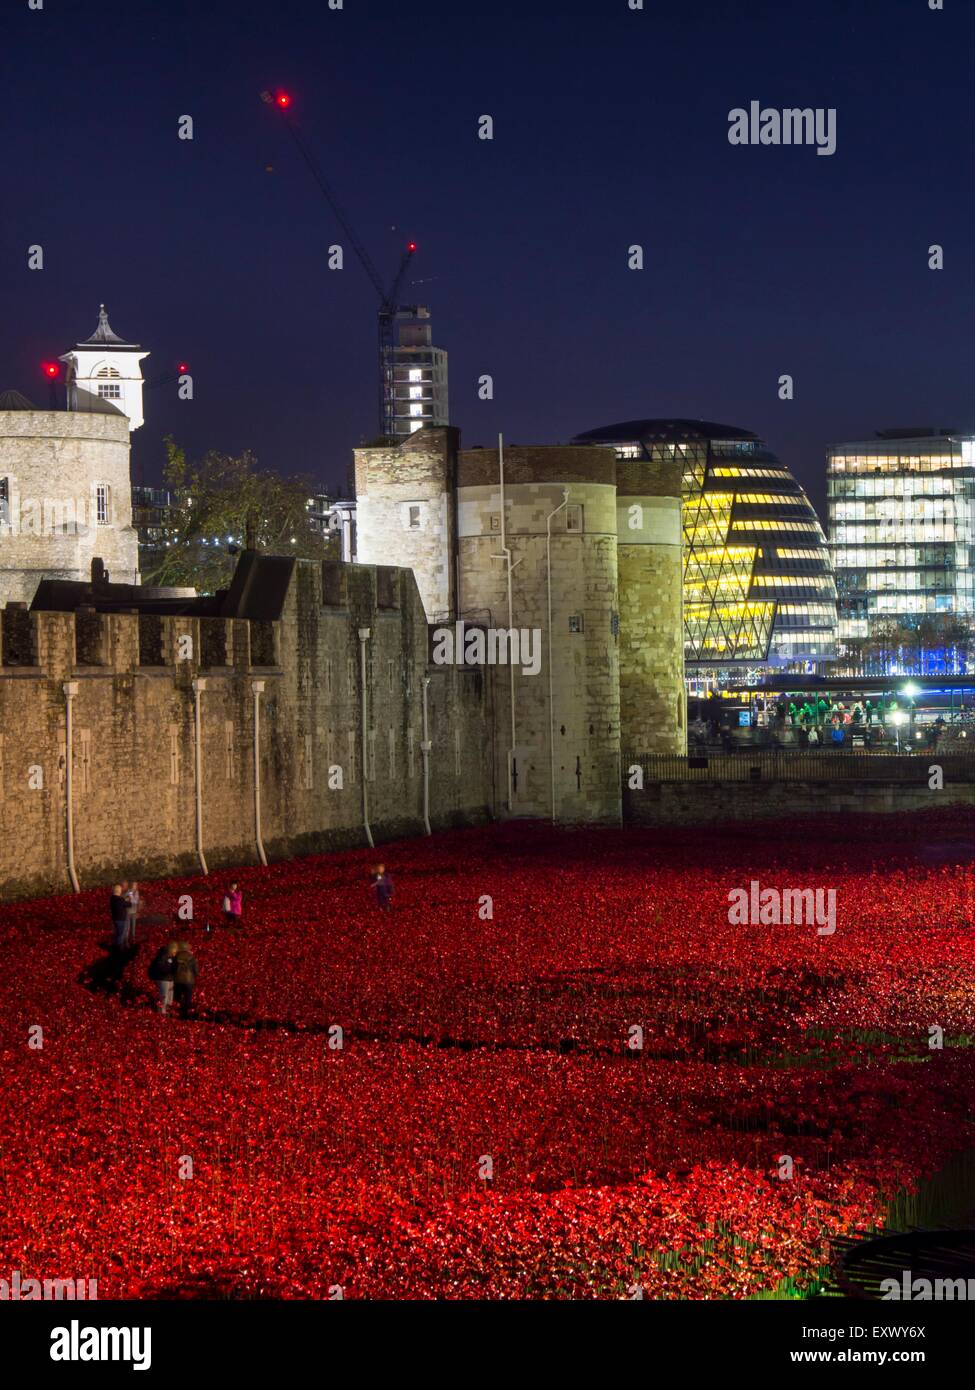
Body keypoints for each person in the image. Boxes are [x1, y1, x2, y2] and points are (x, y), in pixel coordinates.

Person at [148, 942, 178, 1016]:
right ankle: (162, 1012)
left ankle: (165, 1011)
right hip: (163, 978)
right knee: (163, 996)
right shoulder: (163, 956)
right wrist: (169, 970)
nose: (175, 953)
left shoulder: (170, 957)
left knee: (169, 996)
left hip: (169, 978)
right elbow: (160, 966)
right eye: (174, 952)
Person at [173, 942, 199, 1018]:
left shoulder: (176, 957)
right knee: (188, 998)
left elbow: (173, 968)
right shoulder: (192, 957)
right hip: (189, 981)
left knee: (177, 998)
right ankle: (186, 1015)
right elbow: (196, 970)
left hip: (178, 980)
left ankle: (177, 1014)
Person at [109, 883, 128, 950]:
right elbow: (128, 904)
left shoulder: (112, 898)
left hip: (115, 918)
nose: (121, 890)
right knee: (120, 934)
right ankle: (118, 948)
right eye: (120, 889)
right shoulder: (119, 899)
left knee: (117, 933)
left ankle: (114, 946)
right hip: (120, 919)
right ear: (118, 890)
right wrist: (128, 900)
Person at [123, 880, 141, 948]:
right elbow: (123, 899)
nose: (135, 886)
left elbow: (135, 901)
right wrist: (127, 898)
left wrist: (130, 898)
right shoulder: (129, 891)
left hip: (134, 912)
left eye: (136, 885)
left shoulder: (136, 892)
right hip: (128, 912)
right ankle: (126, 941)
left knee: (133, 927)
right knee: (127, 928)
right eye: (134, 885)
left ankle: (133, 940)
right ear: (132, 885)